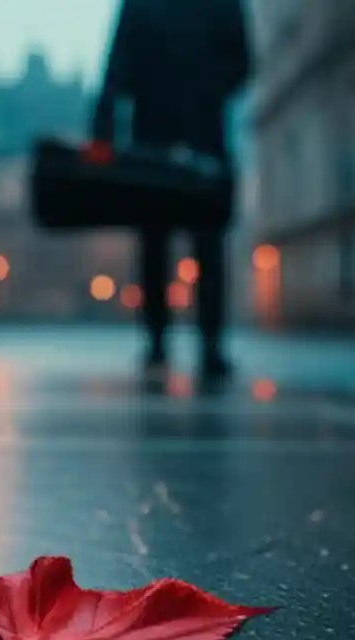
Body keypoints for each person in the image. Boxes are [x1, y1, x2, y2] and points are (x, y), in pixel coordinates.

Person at [93, 0, 252, 379]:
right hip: (190, 133)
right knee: (185, 243)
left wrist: (107, 119)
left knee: (175, 242)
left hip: (166, 130)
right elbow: (242, 62)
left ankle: (175, 342)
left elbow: (117, 67)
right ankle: (188, 343)